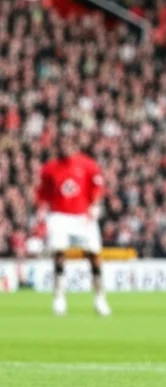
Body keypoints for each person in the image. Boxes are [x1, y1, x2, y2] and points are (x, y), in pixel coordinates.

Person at [36, 132, 110, 317]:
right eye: (62, 142)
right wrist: (42, 211)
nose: (65, 146)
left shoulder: (87, 164)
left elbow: (98, 186)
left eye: (69, 142)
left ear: (74, 144)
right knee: (59, 253)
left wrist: (95, 205)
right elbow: (42, 193)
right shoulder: (50, 168)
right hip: (59, 216)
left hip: (82, 216)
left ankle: (100, 297)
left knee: (94, 254)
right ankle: (59, 297)